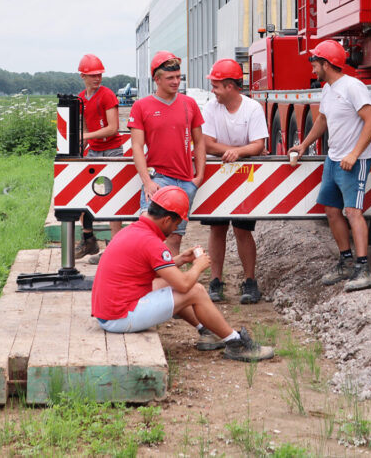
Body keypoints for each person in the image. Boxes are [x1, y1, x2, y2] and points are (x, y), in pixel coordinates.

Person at [90, 186, 274, 362]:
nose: (175, 229)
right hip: (120, 318)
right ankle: (236, 343)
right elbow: (184, 285)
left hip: (109, 312)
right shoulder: (151, 242)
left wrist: (179, 260)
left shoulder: (135, 230)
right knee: (195, 291)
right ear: (167, 220)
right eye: (177, 224)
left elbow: (152, 270)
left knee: (172, 284)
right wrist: (198, 266)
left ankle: (207, 332)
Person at [288, 40, 371, 292]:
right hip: (334, 159)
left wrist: (354, 154)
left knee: (353, 212)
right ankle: (346, 261)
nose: (313, 69)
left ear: (326, 64)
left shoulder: (353, 87)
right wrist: (304, 144)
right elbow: (323, 120)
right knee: (331, 209)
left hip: (354, 161)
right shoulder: (328, 89)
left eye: (315, 64)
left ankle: (364, 269)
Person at [197, 58, 268, 304]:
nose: (213, 91)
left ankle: (250, 281)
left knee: (242, 229)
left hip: (244, 177)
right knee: (217, 229)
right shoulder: (210, 108)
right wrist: (237, 150)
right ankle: (215, 282)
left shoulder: (252, 109)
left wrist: (237, 152)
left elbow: (259, 144)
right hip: (217, 176)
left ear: (229, 86)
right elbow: (205, 142)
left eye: (216, 86)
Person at [127, 51, 206, 256]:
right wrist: (147, 181)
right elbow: (137, 146)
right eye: (170, 78)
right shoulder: (141, 106)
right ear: (157, 79)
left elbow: (199, 141)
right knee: (149, 231)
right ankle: (146, 281)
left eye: (178, 77)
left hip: (186, 182)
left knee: (175, 237)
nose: (176, 82)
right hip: (159, 179)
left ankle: (168, 285)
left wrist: (198, 177)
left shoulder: (189, 104)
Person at [74, 53, 123, 259]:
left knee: (113, 198)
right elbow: (85, 128)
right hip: (94, 149)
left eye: (99, 75)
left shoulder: (107, 95)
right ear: (83, 76)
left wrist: (87, 135)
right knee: (86, 194)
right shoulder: (80, 98)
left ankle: (116, 248)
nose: (97, 78)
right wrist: (76, 149)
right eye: (92, 75)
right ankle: (89, 239)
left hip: (112, 149)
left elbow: (113, 128)